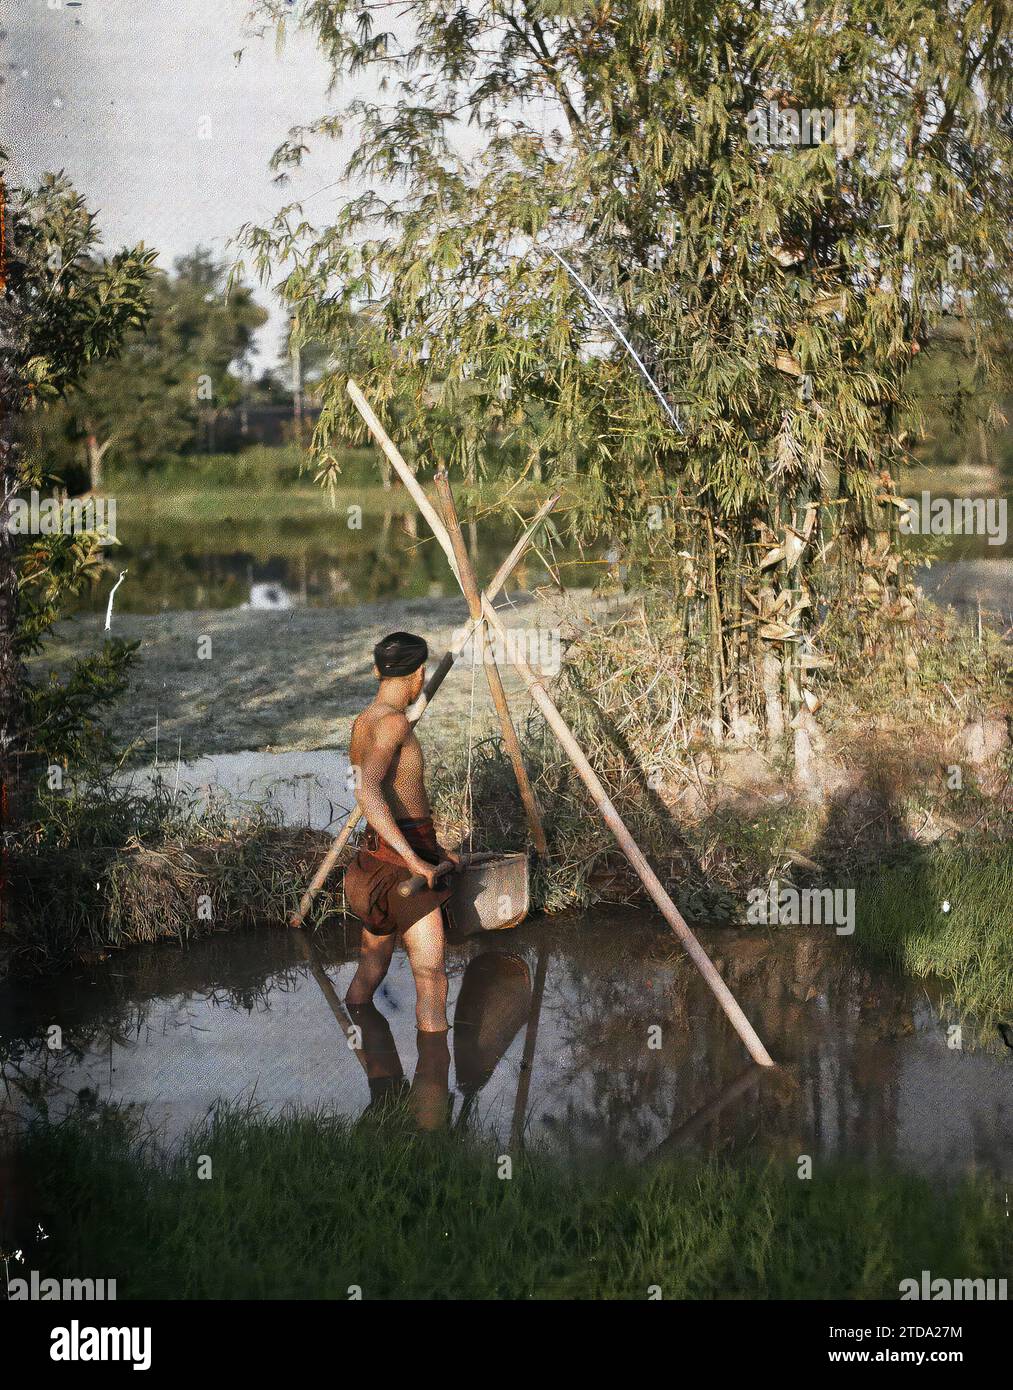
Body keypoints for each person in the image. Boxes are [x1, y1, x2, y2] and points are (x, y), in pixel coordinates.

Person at [342, 632, 458, 1032]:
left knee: (369, 970)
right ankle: (433, 1088)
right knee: (431, 977)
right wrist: (414, 860)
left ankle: (375, 1072)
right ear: (420, 672)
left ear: (377, 671)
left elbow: (389, 796)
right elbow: (367, 790)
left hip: (371, 865)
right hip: (402, 872)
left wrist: (436, 854)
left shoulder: (364, 721)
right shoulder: (393, 723)